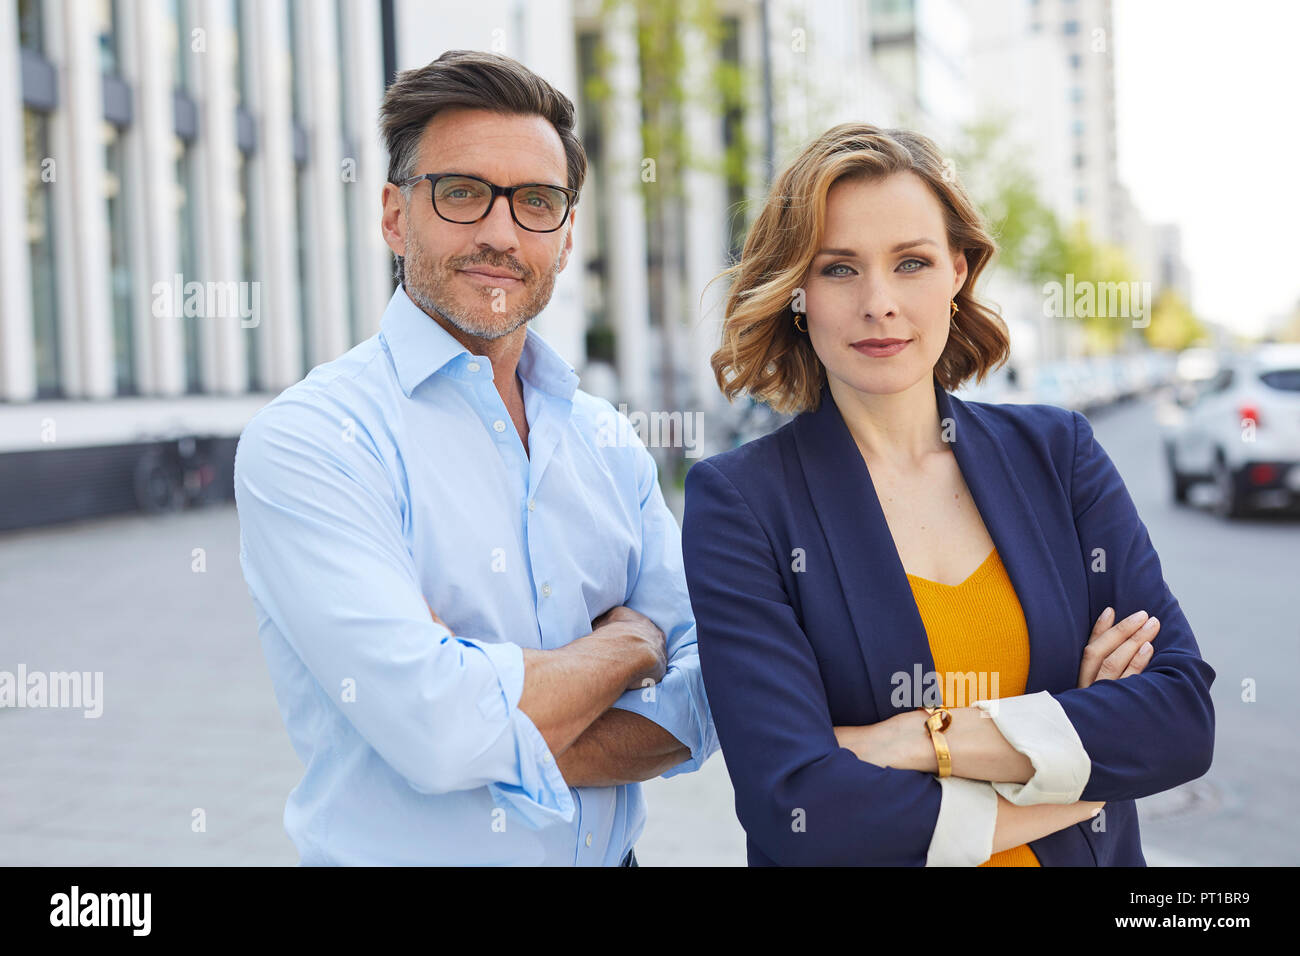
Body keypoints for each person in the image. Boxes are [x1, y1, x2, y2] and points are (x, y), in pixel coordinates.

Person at [680, 122, 1215, 866]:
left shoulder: (1058, 455)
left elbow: (1180, 719)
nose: (879, 303)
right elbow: (797, 806)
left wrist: (921, 738)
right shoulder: (741, 504)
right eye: (839, 269)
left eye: (911, 262)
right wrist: (1077, 770)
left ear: (958, 271)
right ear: (796, 290)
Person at [234, 50, 716, 865]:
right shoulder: (314, 440)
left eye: (536, 202)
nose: (499, 233)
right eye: (461, 193)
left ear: (565, 237)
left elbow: (706, 698)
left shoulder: (608, 439)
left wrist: (489, 712)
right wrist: (629, 649)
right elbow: (437, 731)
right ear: (394, 215)